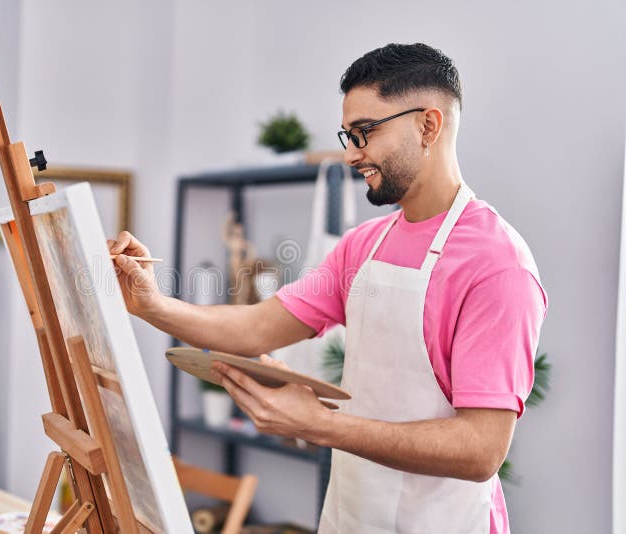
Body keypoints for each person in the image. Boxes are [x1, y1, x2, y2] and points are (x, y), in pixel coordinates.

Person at [109, 43, 546, 534]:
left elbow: (481, 449)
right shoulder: (364, 246)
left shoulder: (497, 263)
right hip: (352, 517)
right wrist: (151, 305)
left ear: (428, 125)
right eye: (348, 134)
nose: (350, 153)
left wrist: (320, 425)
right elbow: (258, 326)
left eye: (365, 133)